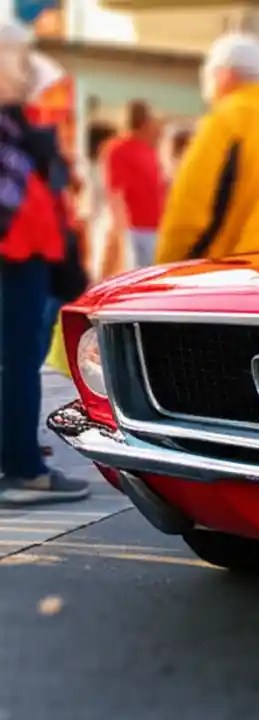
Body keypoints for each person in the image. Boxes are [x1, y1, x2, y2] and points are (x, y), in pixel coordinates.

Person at [0, 20, 89, 505]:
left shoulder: (17, 120)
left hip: (30, 253)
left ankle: (15, 453)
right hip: (16, 254)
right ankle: (22, 471)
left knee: (17, 359)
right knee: (16, 361)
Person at [155, 32, 259, 264]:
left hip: (222, 276)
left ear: (225, 75)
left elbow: (190, 210)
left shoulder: (225, 121)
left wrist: (166, 267)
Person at [101, 99, 165, 266]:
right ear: (144, 123)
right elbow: (116, 193)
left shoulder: (147, 149)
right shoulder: (117, 149)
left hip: (154, 228)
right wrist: (119, 233)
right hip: (134, 229)